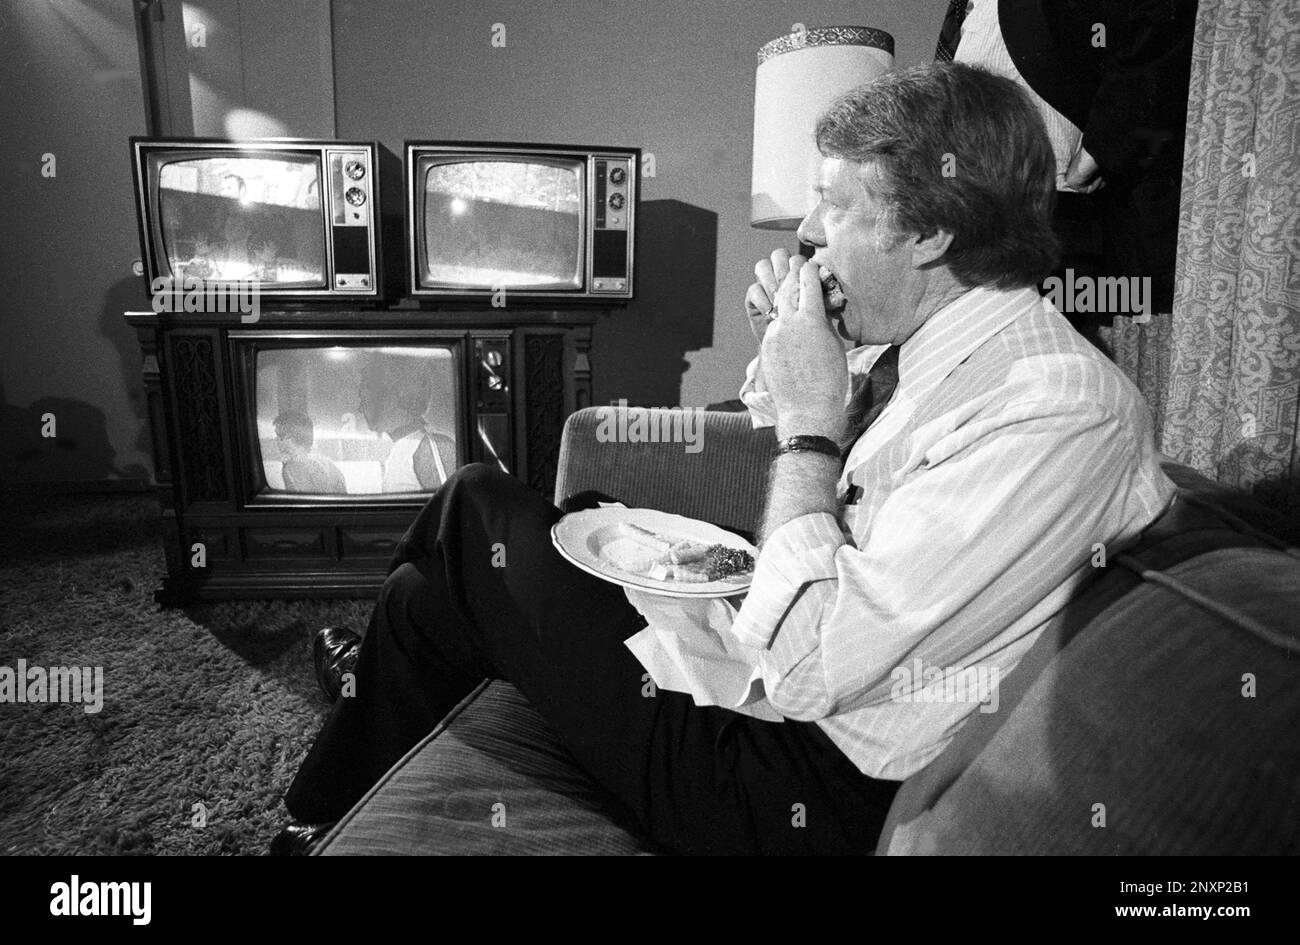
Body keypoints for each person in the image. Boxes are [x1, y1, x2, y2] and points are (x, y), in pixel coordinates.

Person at [274, 62, 1176, 856]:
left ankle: (318, 794)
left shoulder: (1055, 408)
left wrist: (816, 420)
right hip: (771, 696)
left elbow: (812, 662)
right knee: (433, 591)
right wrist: (785, 354)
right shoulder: (933, 341)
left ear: (930, 232)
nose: (810, 233)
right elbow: (774, 424)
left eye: (836, 204)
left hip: (792, 786)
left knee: (474, 509)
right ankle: (362, 713)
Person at [937, 0, 1197, 338]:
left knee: (1044, 357)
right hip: (967, 201)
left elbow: (1163, 24)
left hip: (1056, 200)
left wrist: (1105, 143)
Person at [357, 358, 456, 493]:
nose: (360, 409)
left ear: (391, 399)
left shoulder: (431, 447)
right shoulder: (400, 447)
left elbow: (452, 507)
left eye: (365, 400)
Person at [273, 412, 348, 495]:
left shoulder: (292, 467)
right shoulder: (327, 463)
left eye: (278, 435)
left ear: (289, 437)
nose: (275, 439)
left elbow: (302, 503)